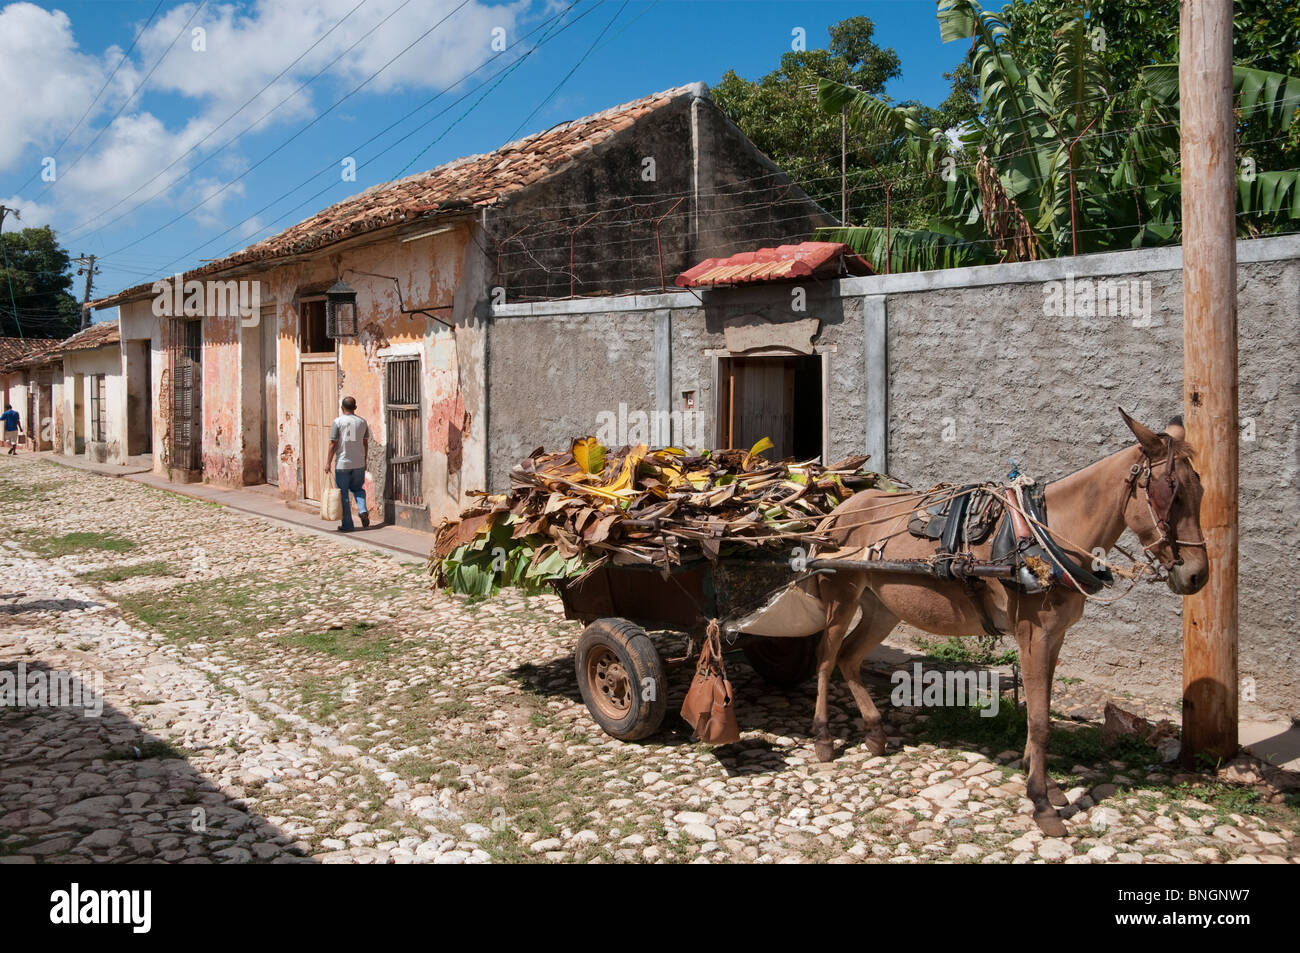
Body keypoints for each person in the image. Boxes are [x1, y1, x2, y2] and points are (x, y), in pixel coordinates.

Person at [324, 395, 370, 532]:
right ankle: (362, 509)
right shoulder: (363, 422)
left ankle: (348, 524)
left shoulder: (338, 422)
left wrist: (328, 462)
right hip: (358, 463)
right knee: (358, 489)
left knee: (343, 495)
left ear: (342, 407)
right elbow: (365, 442)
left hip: (343, 464)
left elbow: (333, 443)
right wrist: (364, 458)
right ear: (355, 407)